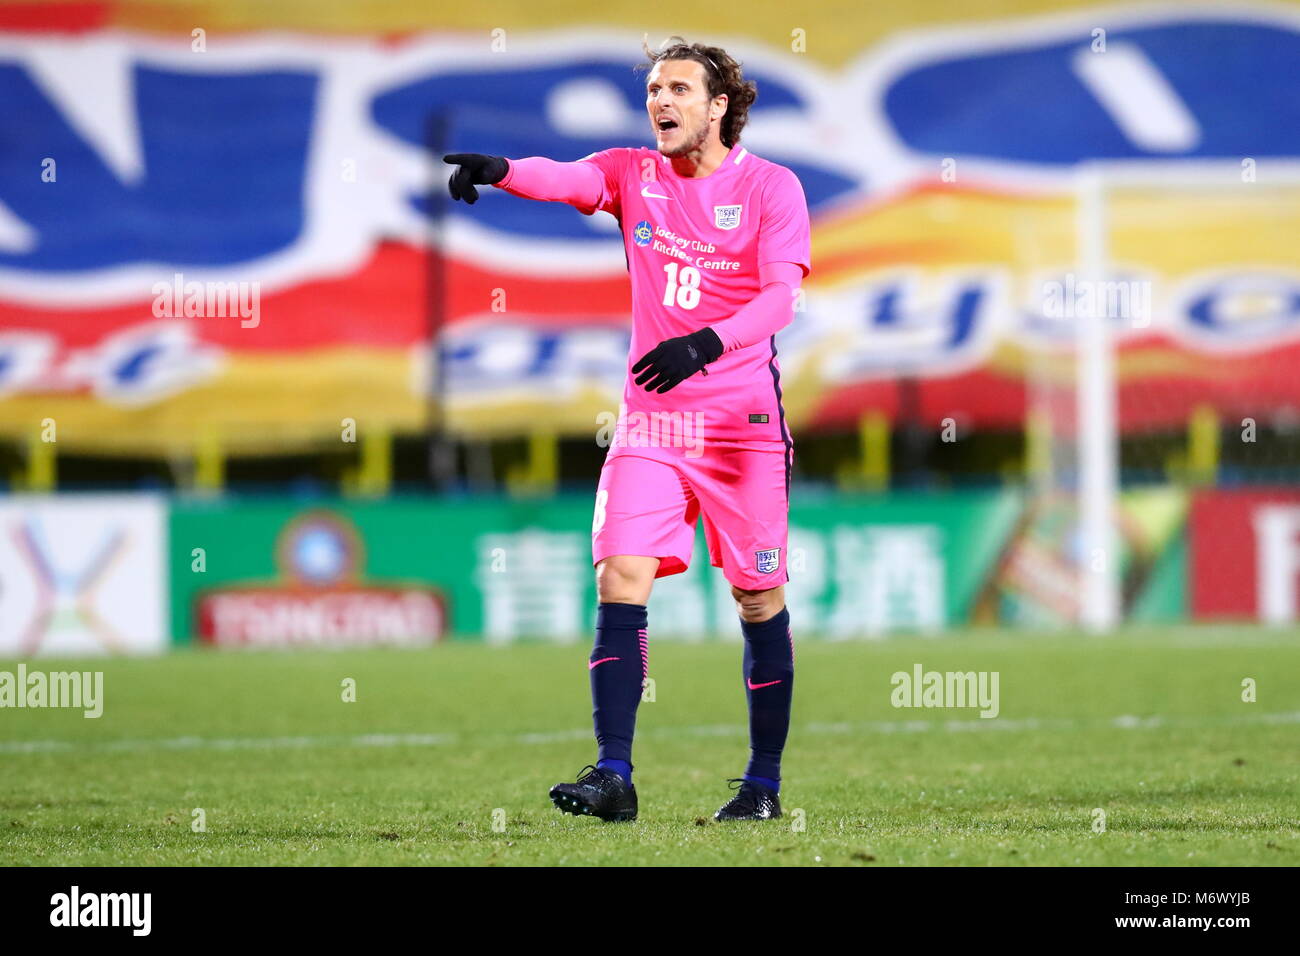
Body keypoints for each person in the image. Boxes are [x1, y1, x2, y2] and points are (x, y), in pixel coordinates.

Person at [444, 35, 810, 822]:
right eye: (653, 90)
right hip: (653, 422)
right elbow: (568, 178)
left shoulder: (773, 188)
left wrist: (706, 343)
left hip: (742, 428)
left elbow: (782, 298)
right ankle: (613, 777)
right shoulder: (633, 174)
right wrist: (501, 170)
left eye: (679, 89)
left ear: (718, 106)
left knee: (757, 598)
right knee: (620, 576)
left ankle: (763, 786)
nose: (660, 102)